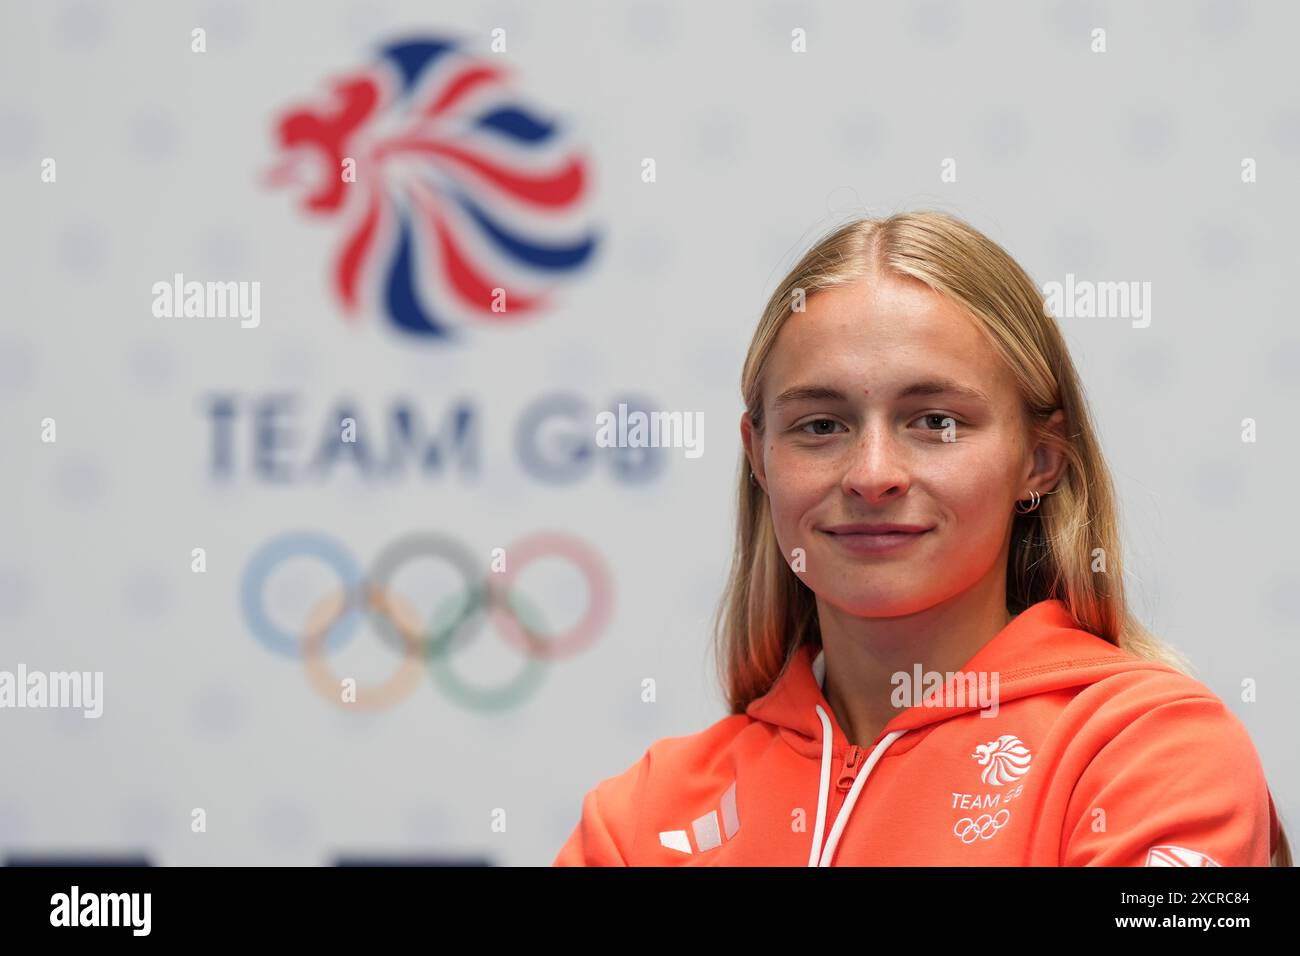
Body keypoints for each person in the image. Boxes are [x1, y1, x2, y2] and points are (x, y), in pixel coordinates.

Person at [552, 210, 1291, 866]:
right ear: (760, 458)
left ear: (1039, 459)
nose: (872, 474)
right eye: (821, 425)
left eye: (936, 421)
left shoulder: (1150, 751)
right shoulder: (643, 816)